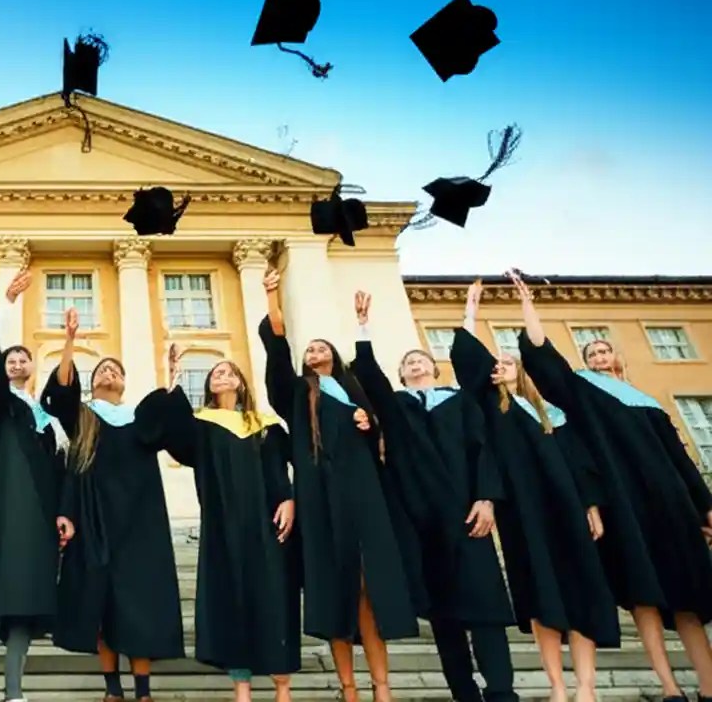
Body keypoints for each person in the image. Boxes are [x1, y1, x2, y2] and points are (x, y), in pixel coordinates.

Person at [504, 272, 712, 702]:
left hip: (671, 504)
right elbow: (545, 359)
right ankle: (670, 687)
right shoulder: (582, 390)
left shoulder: (648, 401)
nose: (598, 355)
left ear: (617, 357)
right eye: (591, 350)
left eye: (604, 349)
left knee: (690, 601)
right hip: (625, 505)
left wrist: (705, 507)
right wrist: (529, 307)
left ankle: (708, 684)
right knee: (644, 598)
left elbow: (682, 461)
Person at [448, 283, 621, 701]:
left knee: (582, 591)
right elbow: (467, 360)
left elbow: (580, 463)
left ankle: (586, 687)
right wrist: (469, 312)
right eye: (497, 363)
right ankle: (558, 687)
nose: (501, 365)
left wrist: (591, 505)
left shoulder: (552, 414)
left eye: (508, 361)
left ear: (521, 370)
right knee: (539, 595)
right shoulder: (491, 407)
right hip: (524, 513)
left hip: (566, 508)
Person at [348, 289, 521, 702]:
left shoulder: (460, 403)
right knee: (444, 616)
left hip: (466, 513)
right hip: (420, 519)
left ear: (433, 368)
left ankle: (500, 692)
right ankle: (463, 692)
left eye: (420, 359)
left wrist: (486, 498)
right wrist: (362, 325)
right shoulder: (397, 406)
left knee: (485, 611)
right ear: (403, 374)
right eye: (408, 362)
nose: (414, 363)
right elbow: (368, 374)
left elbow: (482, 449)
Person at [258, 269, 418, 702]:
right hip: (318, 495)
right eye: (308, 348)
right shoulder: (297, 392)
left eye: (320, 346)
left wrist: (369, 424)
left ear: (333, 354)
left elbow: (383, 415)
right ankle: (349, 689)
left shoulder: (353, 387)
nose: (313, 351)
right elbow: (276, 349)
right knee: (333, 592)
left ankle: (381, 686)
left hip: (363, 493)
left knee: (368, 589)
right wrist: (272, 296)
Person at [142, 339, 297, 702]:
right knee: (232, 601)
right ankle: (241, 687)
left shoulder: (264, 425)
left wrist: (288, 499)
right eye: (215, 374)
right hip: (222, 524)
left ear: (241, 382)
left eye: (228, 372)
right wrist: (172, 379)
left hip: (265, 521)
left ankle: (282, 686)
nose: (221, 377)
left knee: (274, 599)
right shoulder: (201, 425)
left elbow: (277, 469)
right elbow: (173, 438)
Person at [48, 308, 184, 702]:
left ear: (124, 383)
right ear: (92, 384)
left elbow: (173, 426)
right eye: (102, 370)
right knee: (102, 606)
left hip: (141, 522)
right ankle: (113, 690)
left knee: (140, 606)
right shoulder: (84, 418)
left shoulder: (140, 418)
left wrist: (172, 379)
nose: (109, 372)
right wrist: (70, 341)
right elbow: (61, 394)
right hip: (95, 520)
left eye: (116, 370)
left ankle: (143, 692)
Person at [0, 268, 77, 702]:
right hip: (0, 514)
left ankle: (14, 694)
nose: (16, 363)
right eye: (10, 359)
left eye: (23, 359)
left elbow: (66, 403)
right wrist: (6, 306)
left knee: (26, 611)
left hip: (38, 521)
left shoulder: (45, 419)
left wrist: (68, 341)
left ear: (33, 368)